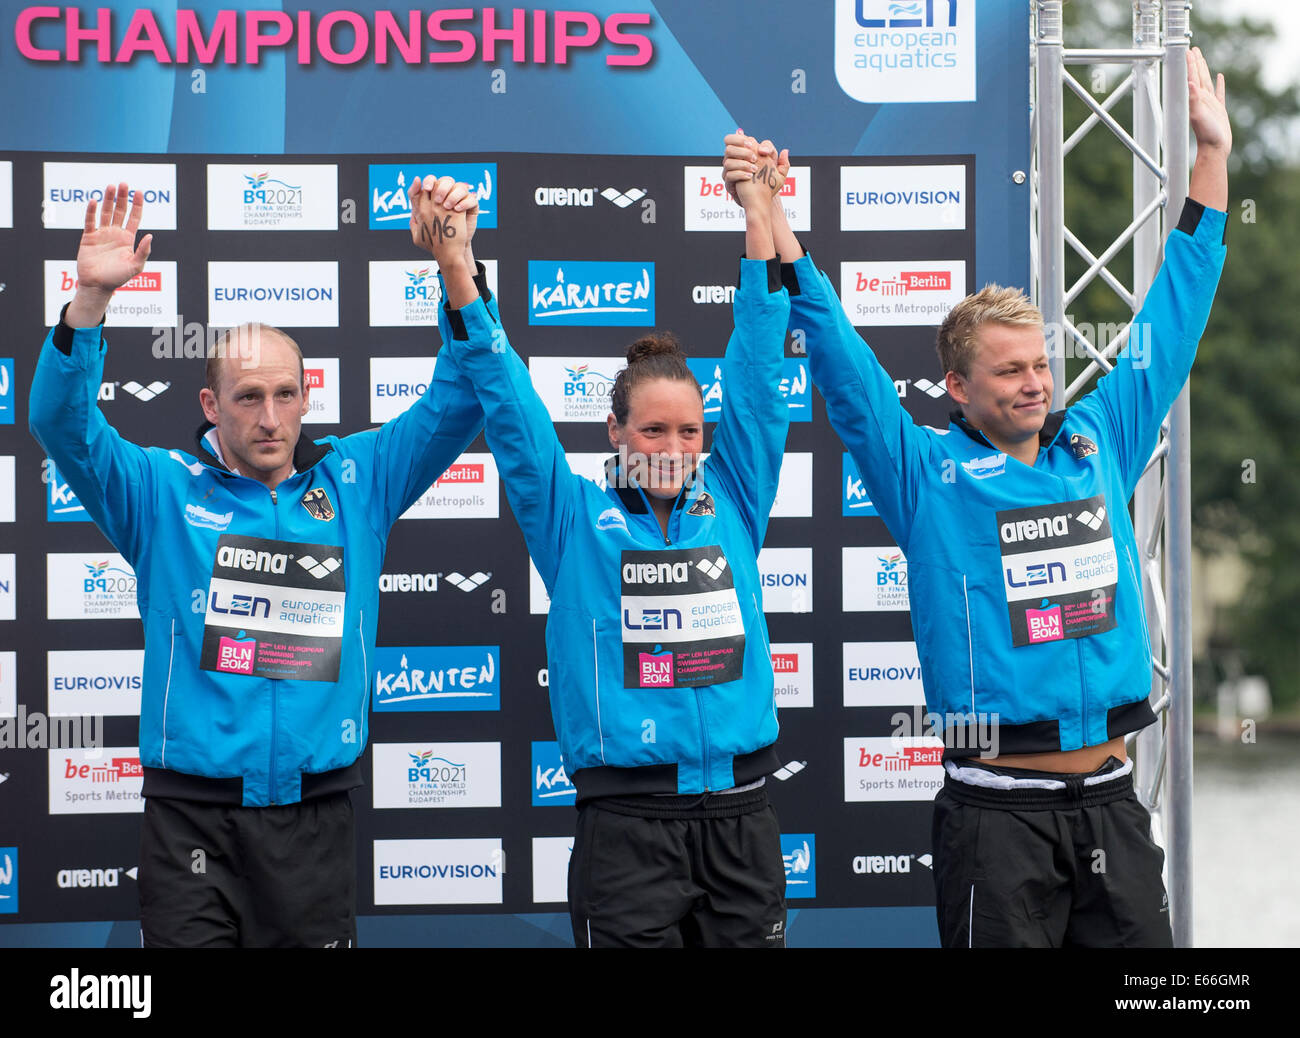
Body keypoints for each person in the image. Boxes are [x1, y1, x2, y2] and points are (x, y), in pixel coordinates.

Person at [736, 48, 1230, 947]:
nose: (1037, 383)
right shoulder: (926, 475)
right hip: (998, 821)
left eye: (1042, 363)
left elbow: (1172, 316)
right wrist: (772, 221)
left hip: (1115, 811)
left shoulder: (1101, 438)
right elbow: (845, 371)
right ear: (957, 388)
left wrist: (1210, 159)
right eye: (1010, 371)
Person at [29, 177, 489, 947]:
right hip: (192, 822)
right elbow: (58, 423)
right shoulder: (158, 490)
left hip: (315, 819)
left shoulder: (359, 479)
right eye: (247, 397)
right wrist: (88, 302)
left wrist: (456, 266)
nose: (270, 417)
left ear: (308, 397)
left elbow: (464, 398)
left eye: (285, 394)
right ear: (211, 407)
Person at [421, 133, 796, 947]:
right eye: (653, 430)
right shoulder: (572, 519)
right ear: (616, 431)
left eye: (690, 431)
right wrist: (459, 269)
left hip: (741, 818)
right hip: (626, 829)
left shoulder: (733, 498)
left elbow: (762, 367)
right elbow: (512, 408)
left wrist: (759, 211)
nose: (673, 448)